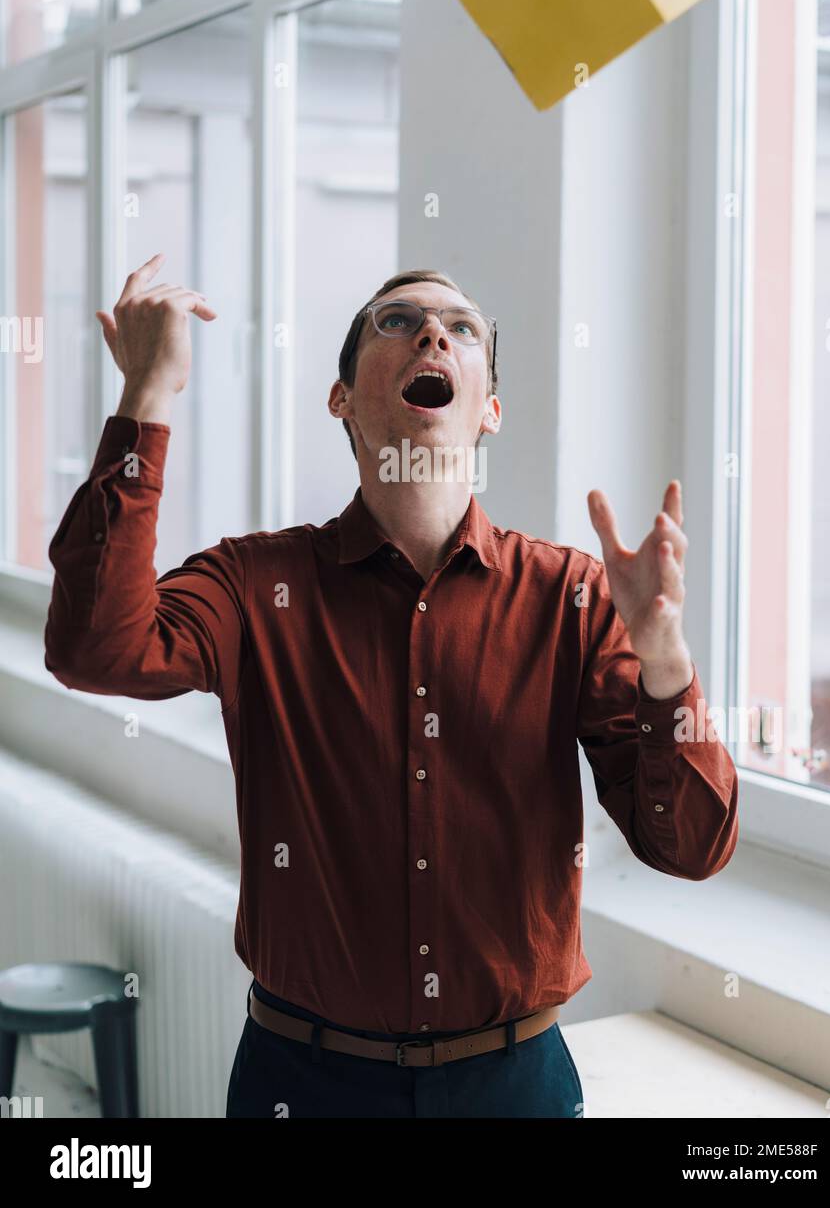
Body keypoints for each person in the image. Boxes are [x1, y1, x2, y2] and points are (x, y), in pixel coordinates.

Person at [44, 254, 738, 1119]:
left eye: (461, 326)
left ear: (488, 409)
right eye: (396, 322)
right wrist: (146, 393)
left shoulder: (574, 598)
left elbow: (690, 847)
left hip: (513, 1088)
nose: (432, 332)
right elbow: (94, 650)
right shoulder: (254, 583)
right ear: (342, 399)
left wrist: (666, 659)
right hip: (300, 1082)